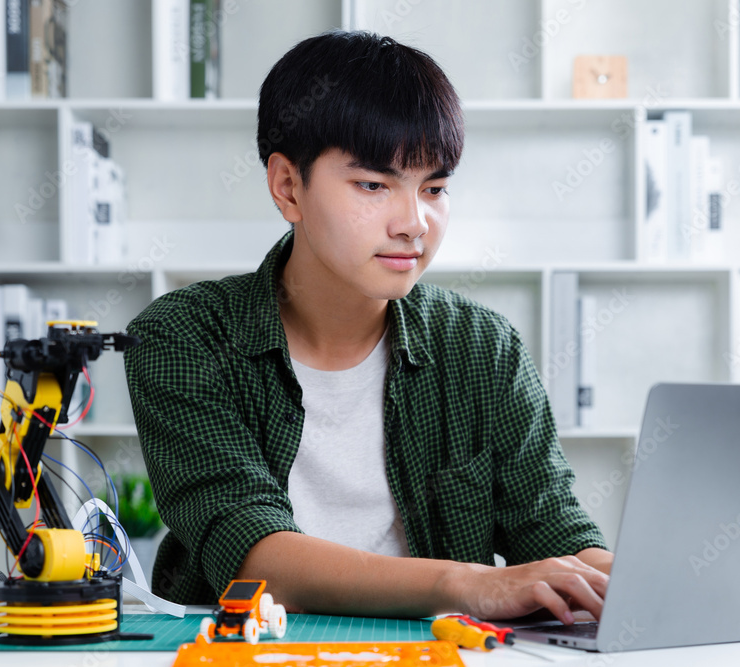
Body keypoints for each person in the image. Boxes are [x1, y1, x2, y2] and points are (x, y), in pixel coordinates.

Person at [123, 29, 612, 623]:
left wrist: (641, 579)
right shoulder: (184, 337)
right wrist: (472, 584)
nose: (414, 222)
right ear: (287, 186)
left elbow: (554, 532)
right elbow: (252, 558)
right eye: (374, 185)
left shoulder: (484, 347)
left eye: (434, 188)